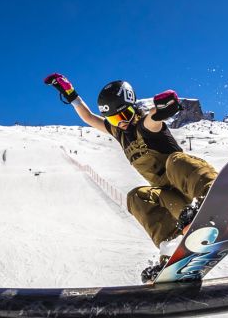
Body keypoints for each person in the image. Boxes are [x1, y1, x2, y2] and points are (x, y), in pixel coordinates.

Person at [44, 73, 218, 282]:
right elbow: (89, 117)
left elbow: (155, 117)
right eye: (114, 119)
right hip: (176, 201)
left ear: (133, 108)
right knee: (136, 196)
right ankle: (172, 247)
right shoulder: (119, 132)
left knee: (174, 161)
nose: (121, 123)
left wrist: (165, 107)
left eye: (124, 115)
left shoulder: (145, 125)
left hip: (190, 182)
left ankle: (214, 195)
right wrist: (71, 95)